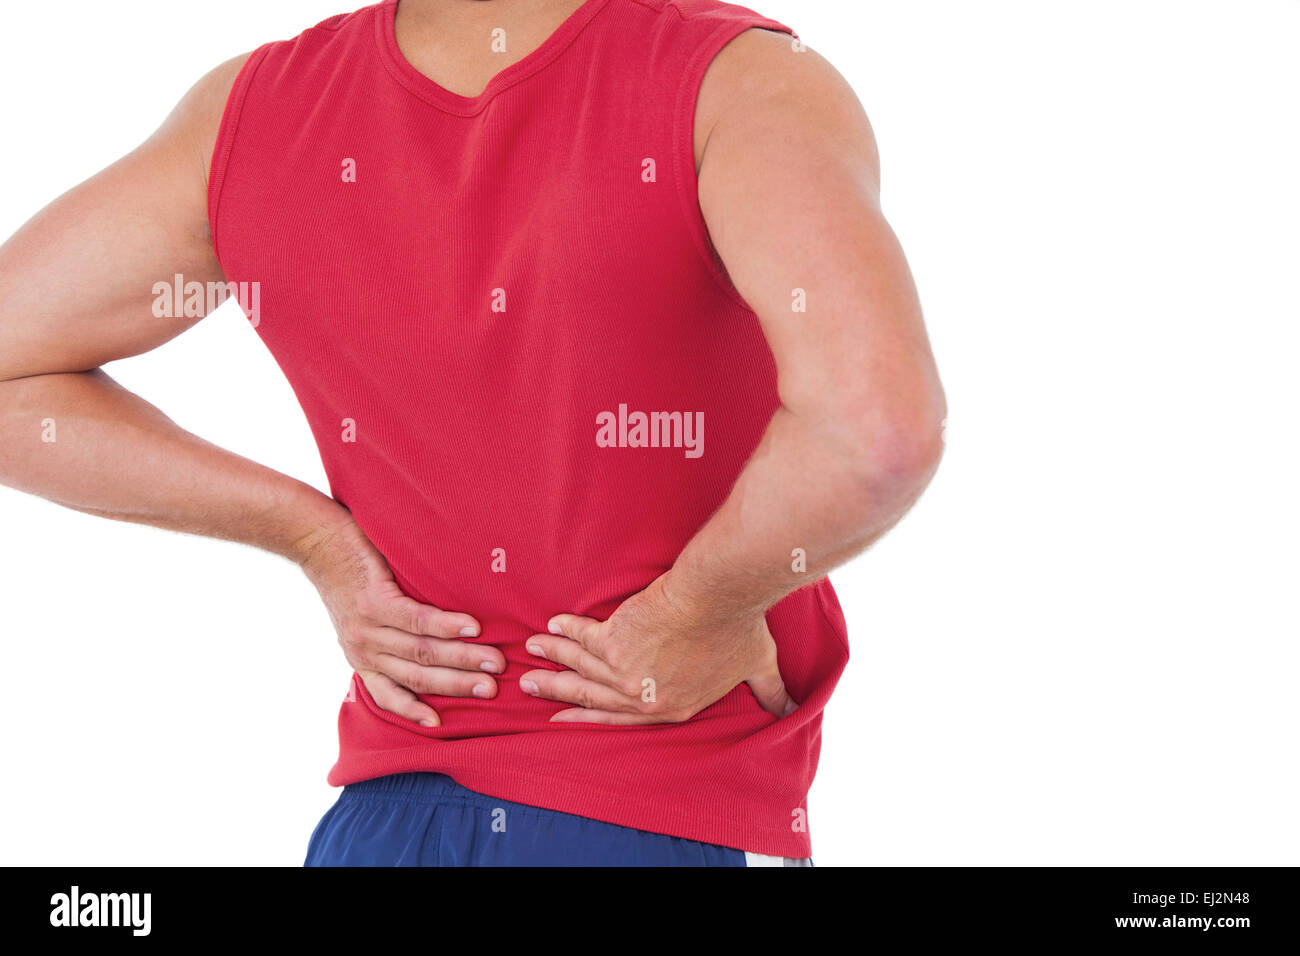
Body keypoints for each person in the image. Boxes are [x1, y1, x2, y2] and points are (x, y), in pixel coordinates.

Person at [0, 0, 945, 866]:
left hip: (381, 826)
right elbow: (878, 433)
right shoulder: (738, 82)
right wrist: (699, 609)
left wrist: (313, 536)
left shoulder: (254, 113)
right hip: (658, 810)